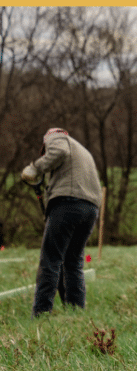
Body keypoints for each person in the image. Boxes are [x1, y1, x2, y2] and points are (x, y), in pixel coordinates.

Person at [20, 128, 102, 317]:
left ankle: (41, 314)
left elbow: (59, 152)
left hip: (67, 203)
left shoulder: (56, 138)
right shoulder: (82, 150)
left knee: (50, 260)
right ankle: (76, 313)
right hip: (90, 208)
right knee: (73, 262)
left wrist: (35, 167)